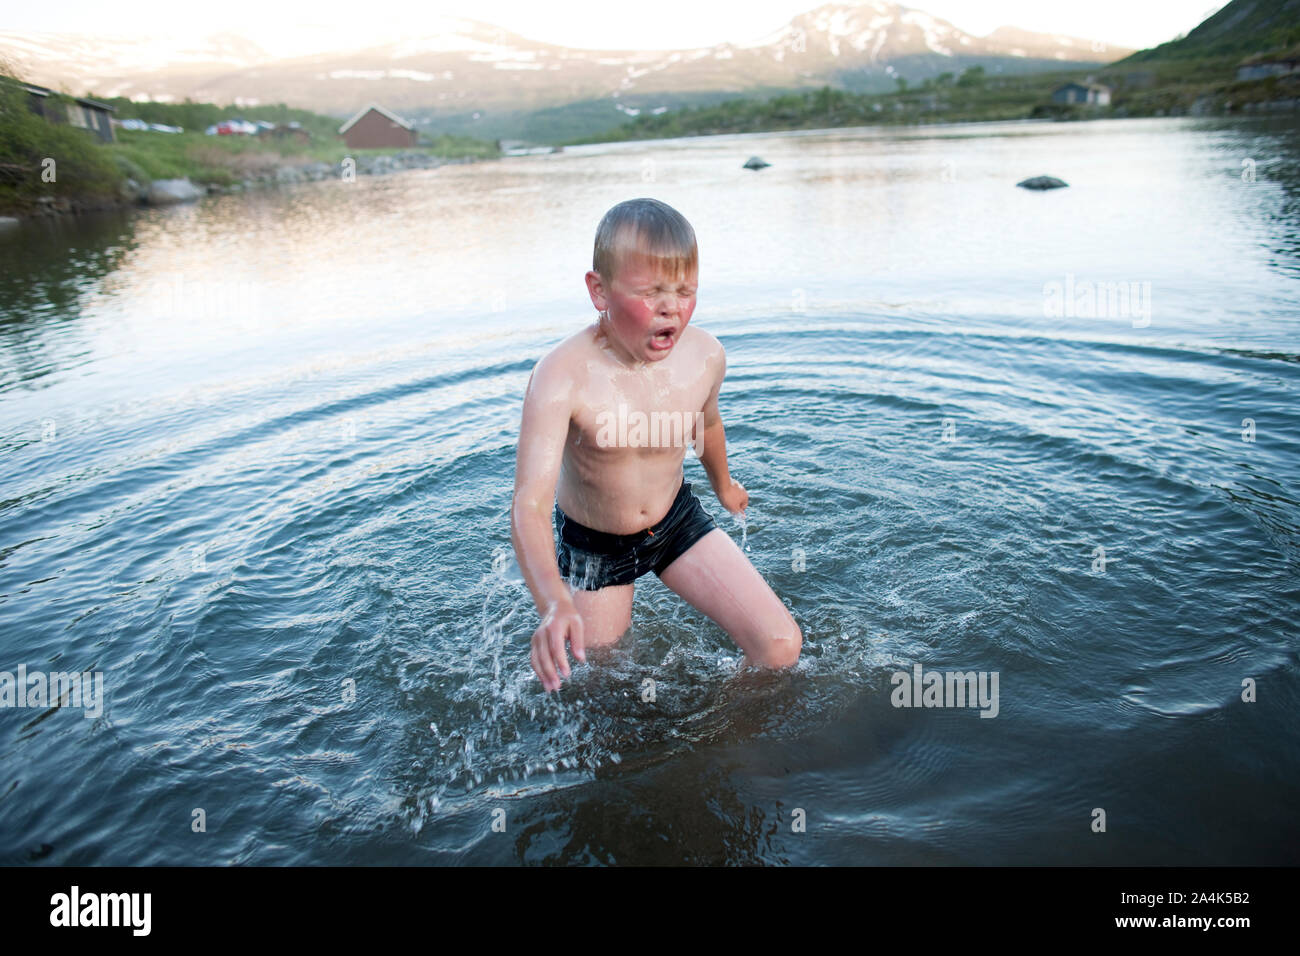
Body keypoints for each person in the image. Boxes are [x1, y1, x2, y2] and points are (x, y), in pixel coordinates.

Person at [510, 197, 802, 692]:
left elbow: (706, 424)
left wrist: (723, 484)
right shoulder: (561, 376)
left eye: (685, 290)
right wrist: (553, 600)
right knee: (603, 692)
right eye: (650, 292)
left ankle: (719, 743)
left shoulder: (705, 356)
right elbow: (529, 504)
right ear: (598, 291)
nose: (671, 306)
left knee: (779, 647)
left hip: (675, 520)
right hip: (595, 545)